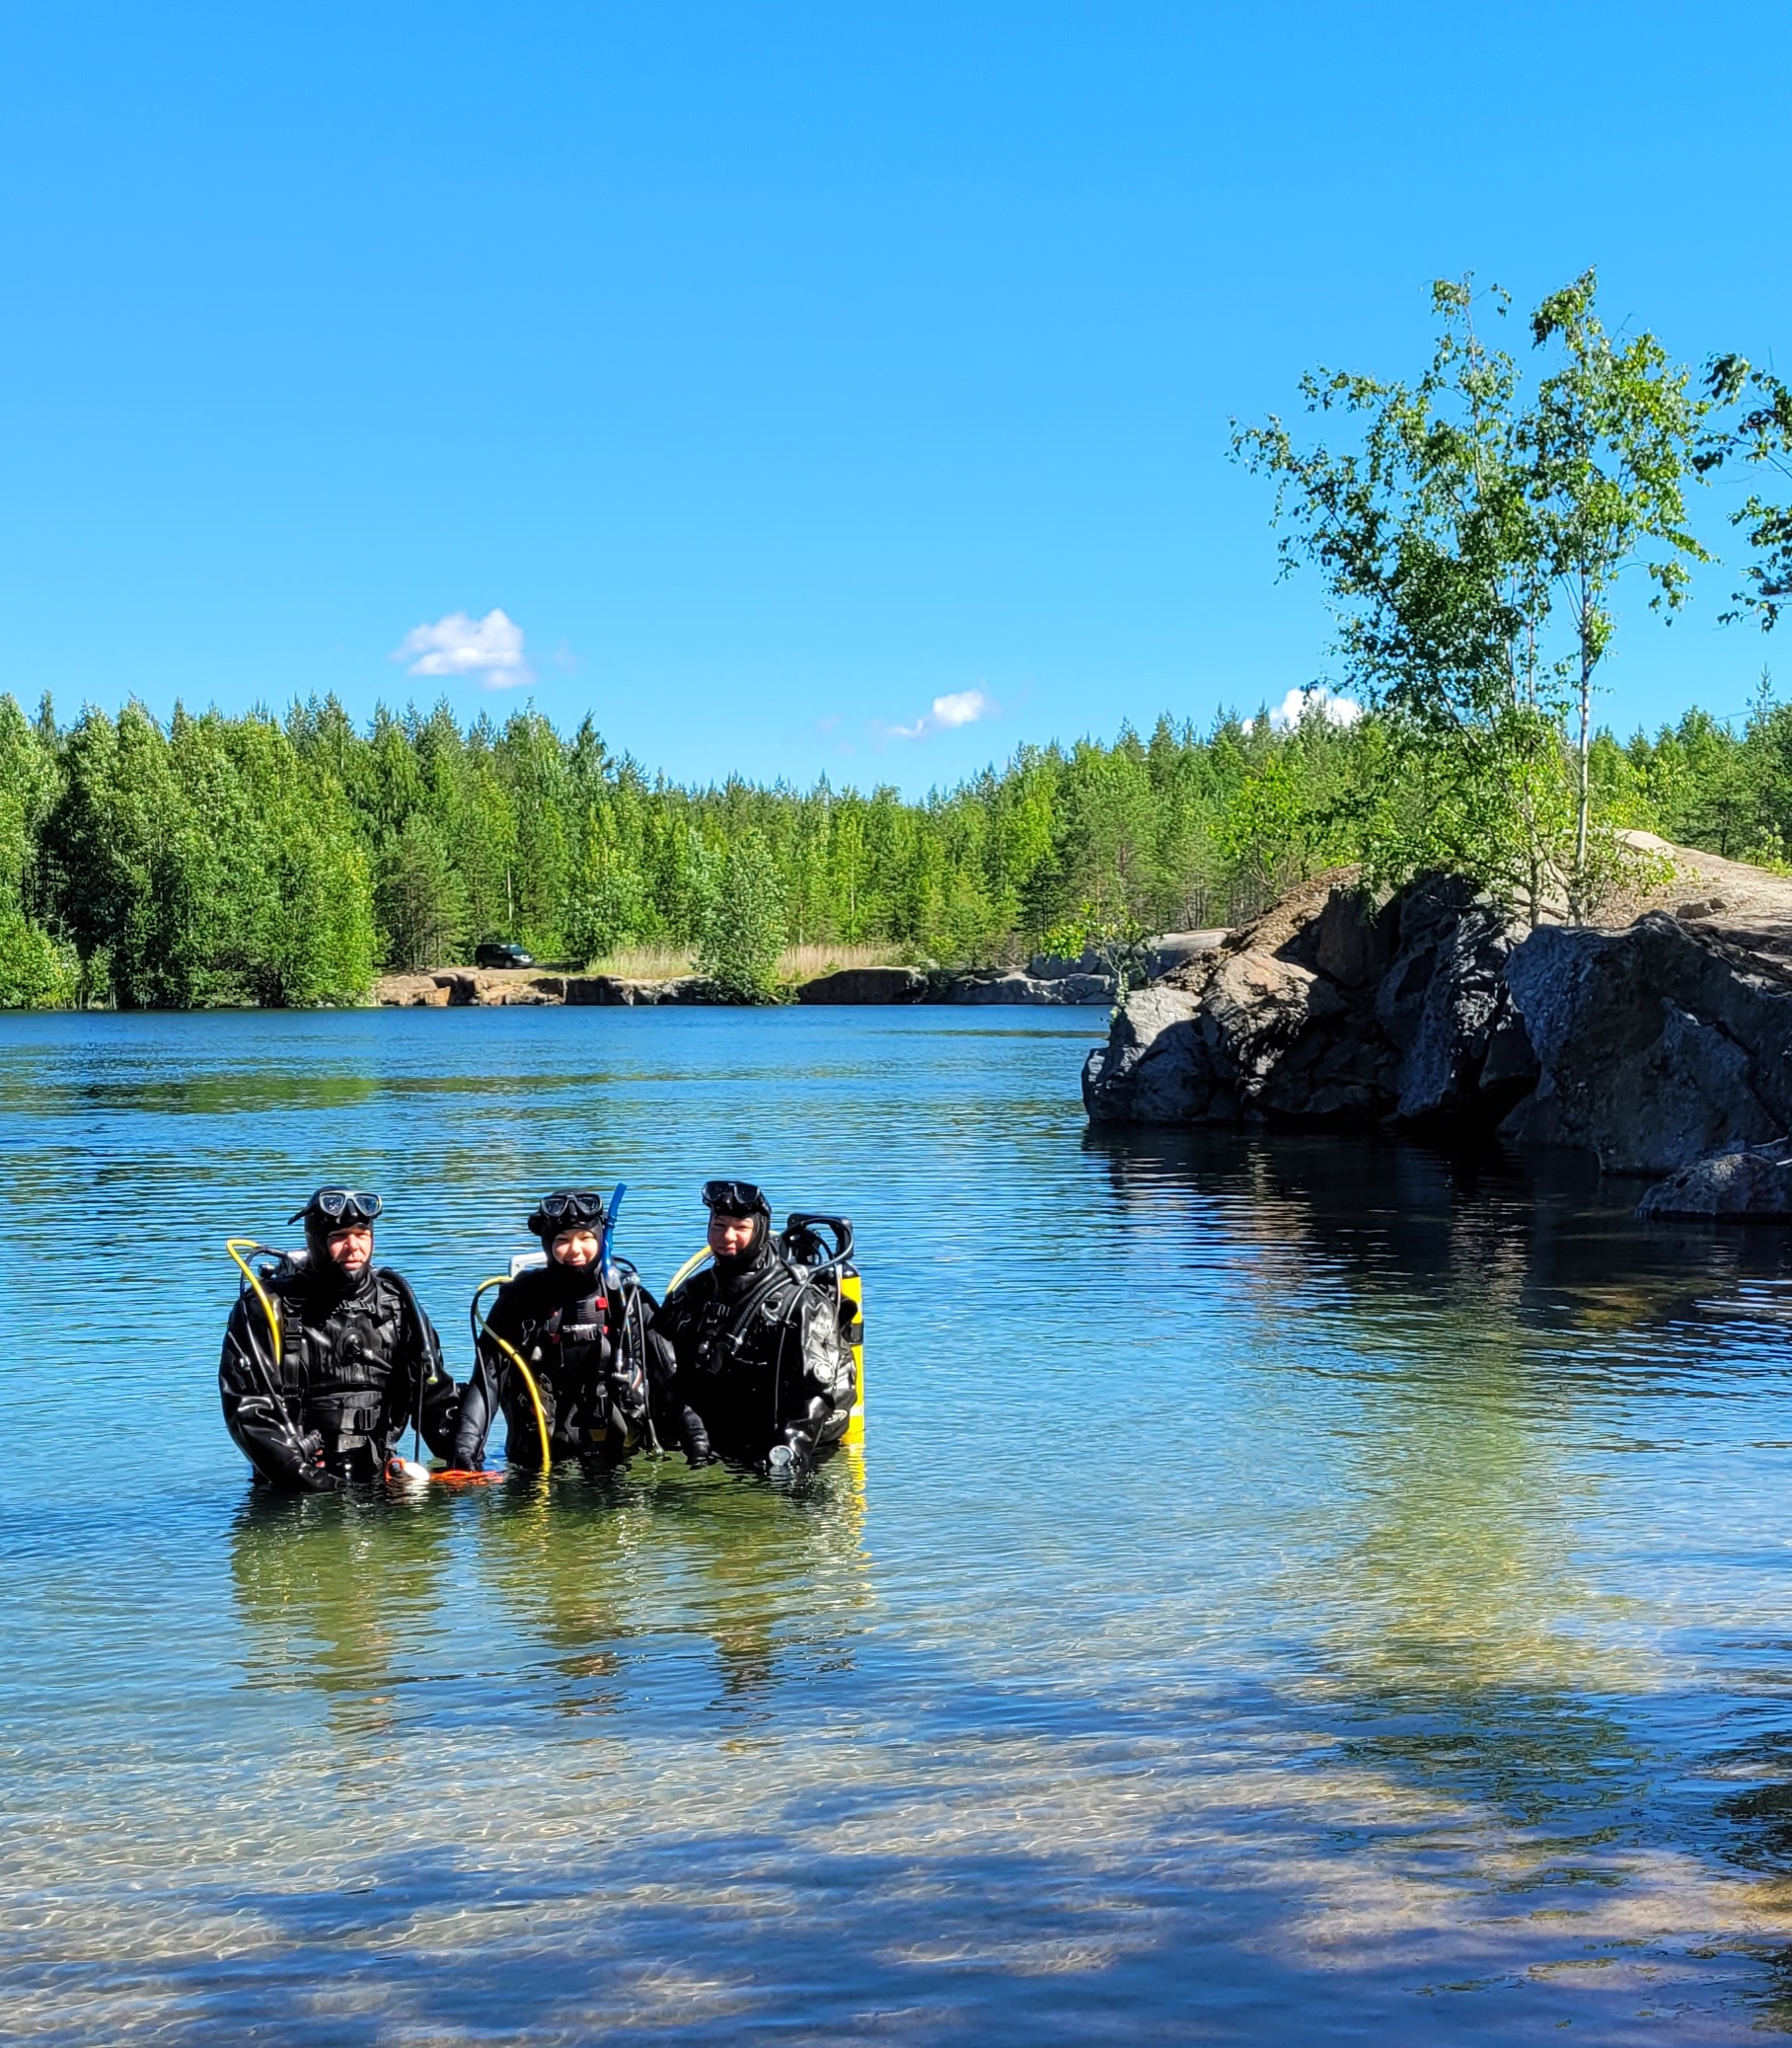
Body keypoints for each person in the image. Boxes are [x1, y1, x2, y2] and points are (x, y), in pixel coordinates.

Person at [219, 1188, 458, 1490]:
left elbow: (435, 1396)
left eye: (362, 1234)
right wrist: (309, 1481)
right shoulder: (267, 1309)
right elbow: (247, 1408)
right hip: (294, 1483)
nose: (354, 1247)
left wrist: (464, 1457)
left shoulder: (398, 1305)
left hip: (380, 1477)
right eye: (340, 1236)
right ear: (316, 1241)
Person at [649, 1178, 857, 1475]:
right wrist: (689, 1427)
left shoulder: (801, 1301)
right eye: (719, 1225)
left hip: (785, 1447)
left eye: (740, 1228)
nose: (727, 1237)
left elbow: (817, 1393)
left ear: (759, 1229)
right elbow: (661, 1361)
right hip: (713, 1442)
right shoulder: (695, 1292)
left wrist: (787, 1455)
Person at [450, 1189, 652, 1472]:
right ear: (547, 1242)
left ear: (602, 1238)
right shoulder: (521, 1299)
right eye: (562, 1240)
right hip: (534, 1457)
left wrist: (695, 1440)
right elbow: (488, 1382)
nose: (575, 1251)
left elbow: (668, 1377)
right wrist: (466, 1452)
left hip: (613, 1454)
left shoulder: (625, 1297)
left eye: (586, 1238)